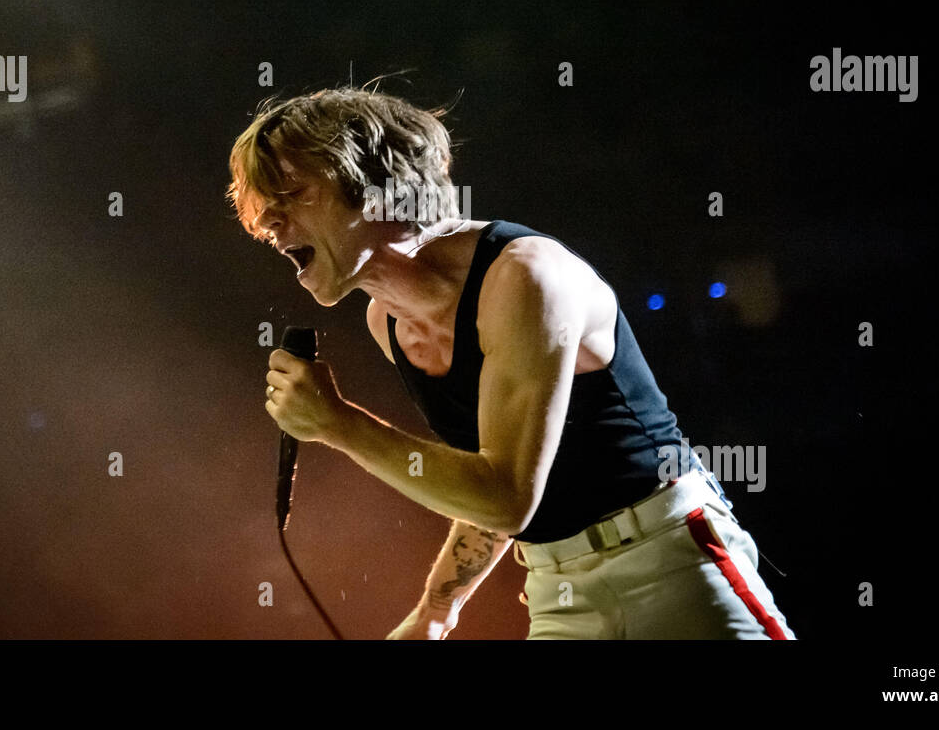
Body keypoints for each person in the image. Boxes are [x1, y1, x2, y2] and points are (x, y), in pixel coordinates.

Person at [228, 85, 796, 639]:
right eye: (262, 208)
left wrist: (339, 423)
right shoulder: (388, 322)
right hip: (556, 586)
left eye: (293, 194)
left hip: (673, 562)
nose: (268, 224)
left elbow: (505, 496)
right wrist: (434, 612)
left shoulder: (524, 273)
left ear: (374, 187)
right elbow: (486, 479)